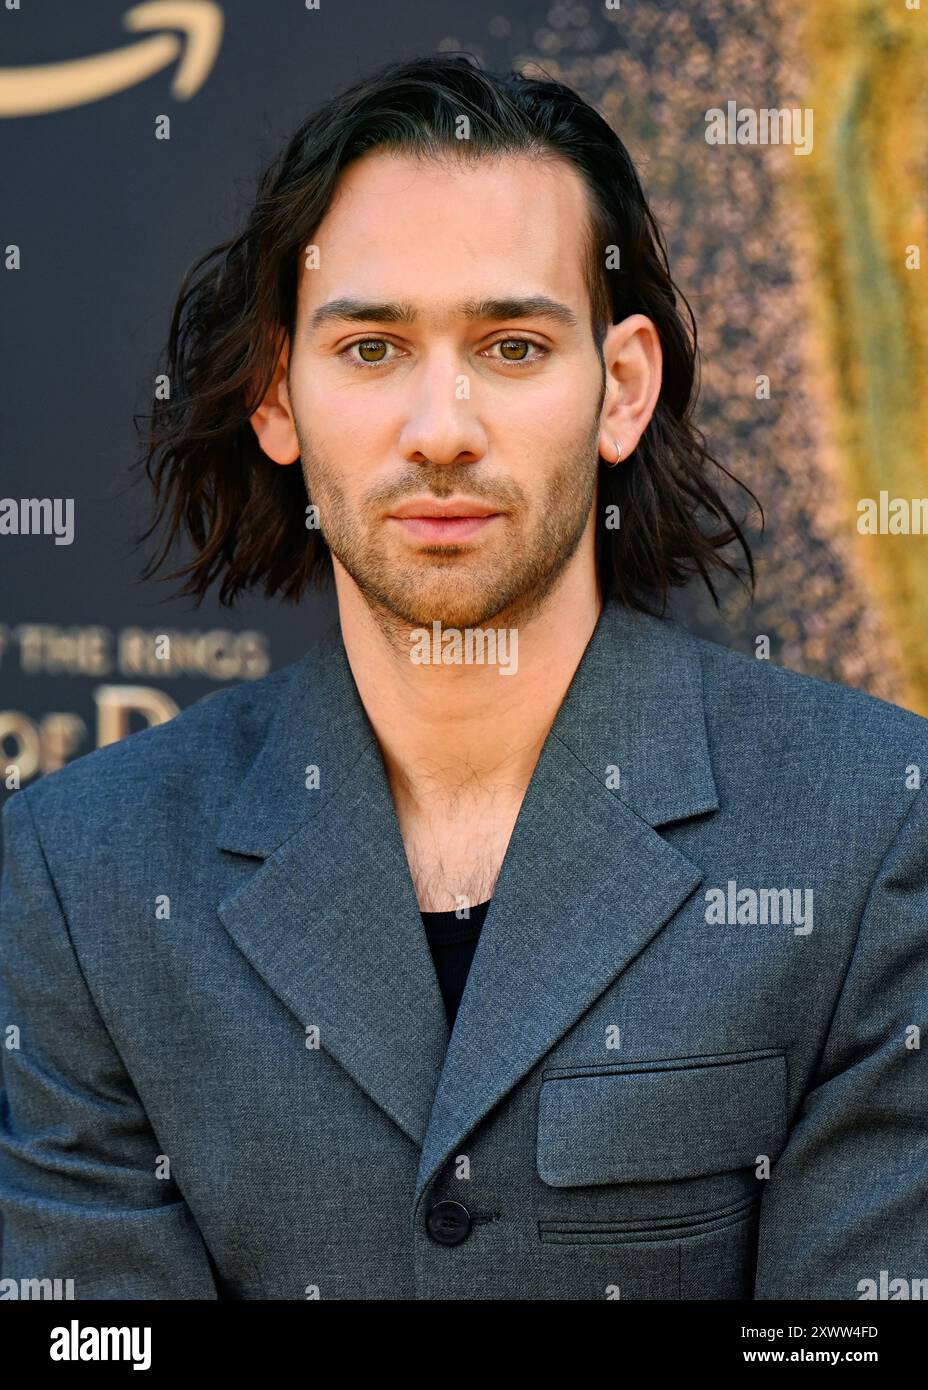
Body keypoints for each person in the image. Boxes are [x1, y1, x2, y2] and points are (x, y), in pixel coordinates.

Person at [1, 55, 925, 1301]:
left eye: (510, 343)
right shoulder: (81, 872)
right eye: (373, 347)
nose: (442, 426)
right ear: (278, 393)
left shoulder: (872, 828)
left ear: (622, 387)